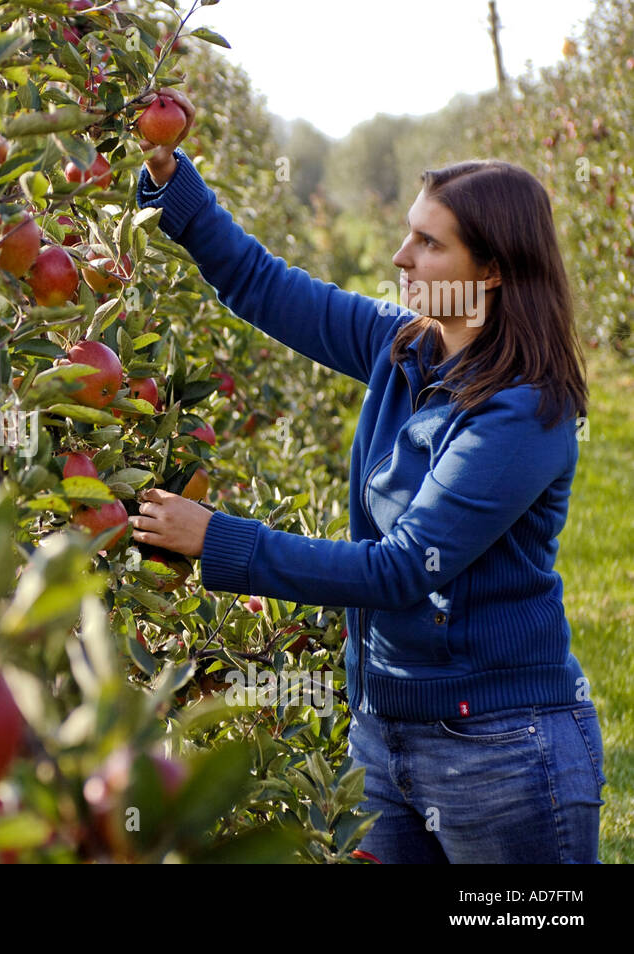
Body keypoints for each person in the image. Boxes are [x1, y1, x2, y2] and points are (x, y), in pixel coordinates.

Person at [128, 88, 605, 863]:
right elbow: (262, 285)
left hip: (500, 753)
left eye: (428, 243)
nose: (400, 257)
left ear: (489, 272)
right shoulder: (404, 348)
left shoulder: (525, 413)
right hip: (385, 740)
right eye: (407, 235)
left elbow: (399, 571)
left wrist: (218, 540)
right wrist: (170, 178)